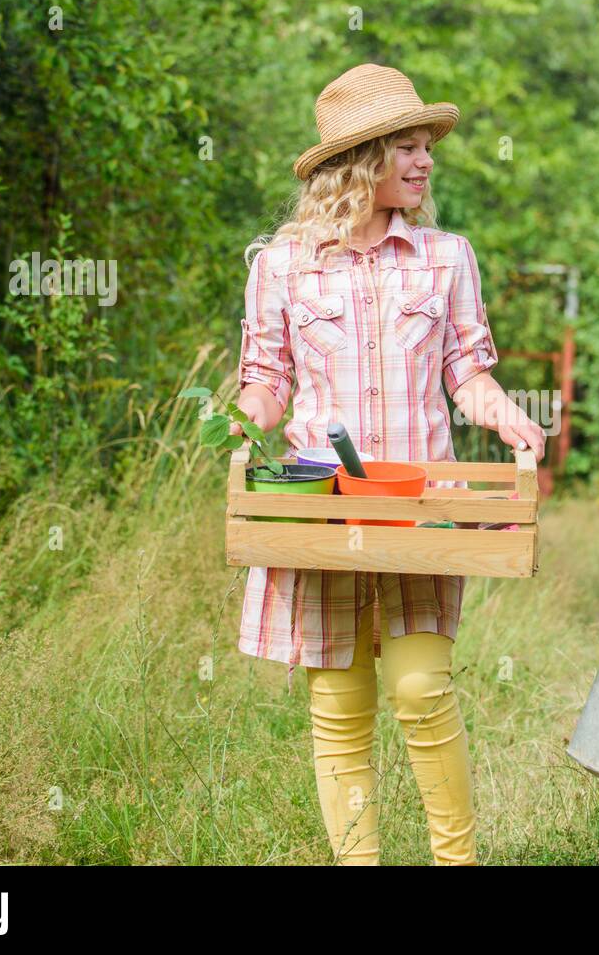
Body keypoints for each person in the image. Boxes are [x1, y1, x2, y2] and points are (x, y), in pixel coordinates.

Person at [233, 63, 545, 865]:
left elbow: (468, 375)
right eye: (406, 146)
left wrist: (513, 421)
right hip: (320, 507)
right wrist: (240, 426)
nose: (425, 159)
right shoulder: (282, 264)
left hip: (420, 507)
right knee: (338, 705)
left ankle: (457, 860)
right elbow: (266, 380)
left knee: (420, 689)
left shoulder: (446, 258)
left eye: (425, 145)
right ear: (360, 158)